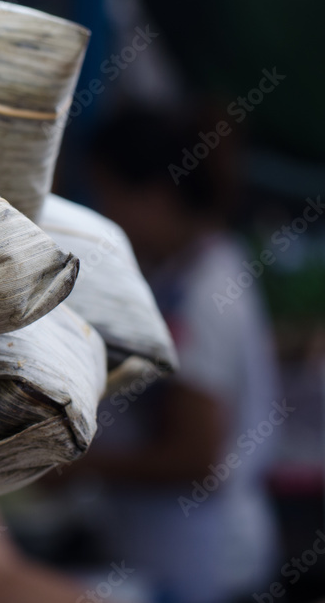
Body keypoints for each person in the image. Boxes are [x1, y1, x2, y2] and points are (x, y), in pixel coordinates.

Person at [58, 106, 282, 603]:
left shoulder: (207, 295)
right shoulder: (176, 273)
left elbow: (198, 457)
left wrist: (80, 467)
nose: (101, 211)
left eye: (108, 193)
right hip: (158, 549)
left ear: (155, 196)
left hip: (205, 562)